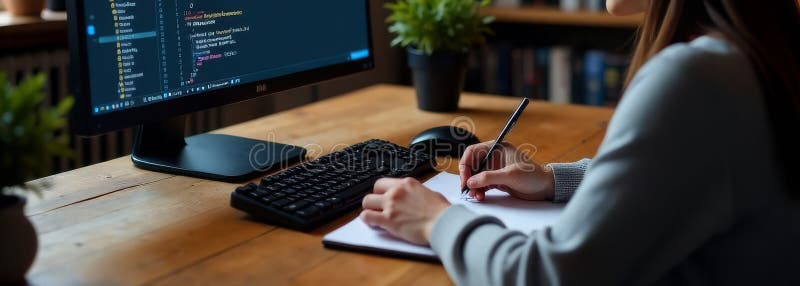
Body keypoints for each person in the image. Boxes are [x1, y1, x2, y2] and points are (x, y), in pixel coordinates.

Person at [360, 0, 800, 285]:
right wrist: (554, 179)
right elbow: (683, 177)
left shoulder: (697, 80)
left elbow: (549, 277)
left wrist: (436, 221)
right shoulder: (754, 52)